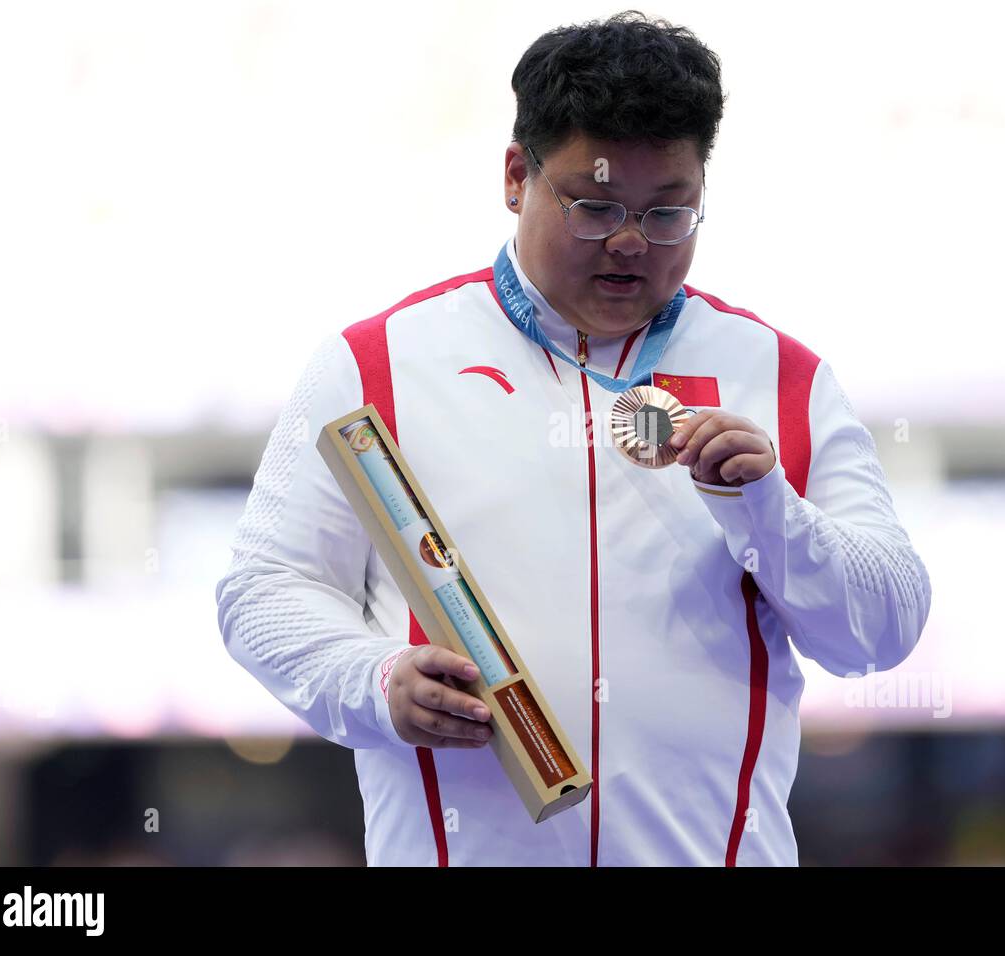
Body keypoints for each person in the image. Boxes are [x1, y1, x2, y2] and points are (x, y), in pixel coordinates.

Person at [215, 10, 932, 866]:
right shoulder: (373, 367)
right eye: (595, 207)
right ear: (517, 176)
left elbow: (885, 628)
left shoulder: (781, 377)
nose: (630, 244)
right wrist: (370, 683)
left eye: (670, 214)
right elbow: (262, 591)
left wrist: (769, 512)